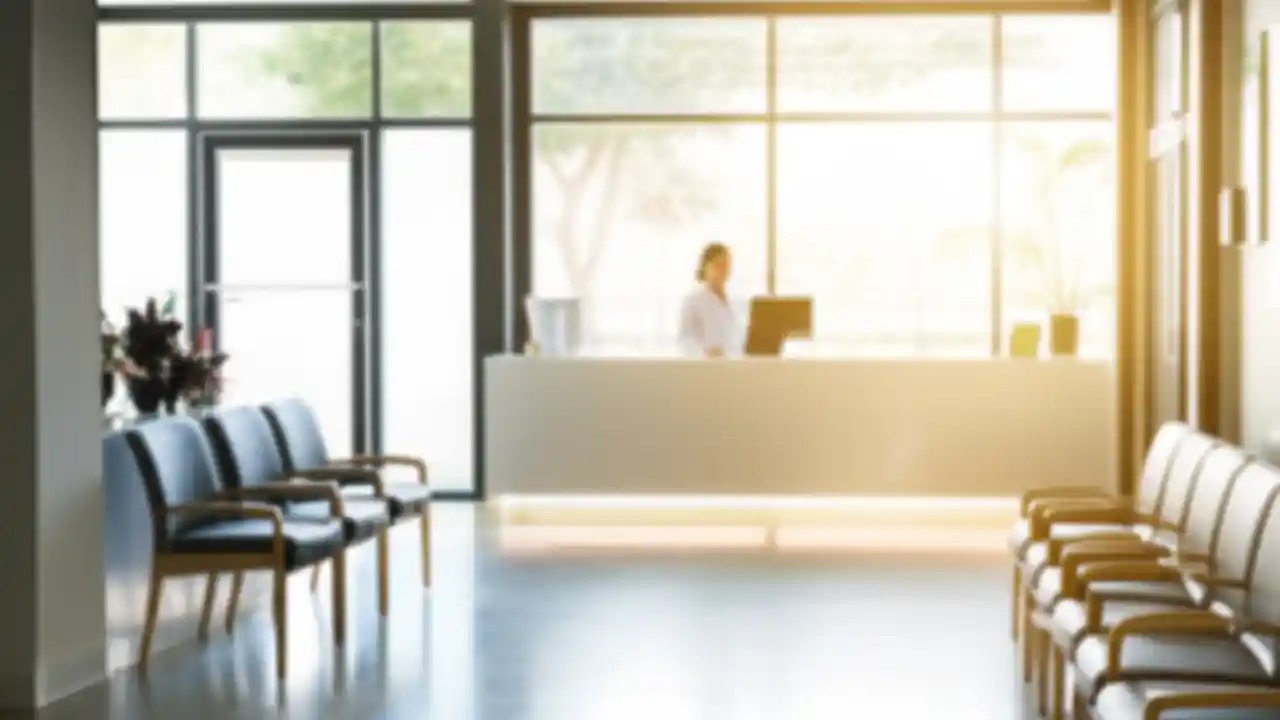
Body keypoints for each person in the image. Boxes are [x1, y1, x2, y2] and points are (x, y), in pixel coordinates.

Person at [678, 243, 742, 358]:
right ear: (705, 267)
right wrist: (705, 353)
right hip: (706, 367)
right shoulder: (693, 301)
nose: (723, 271)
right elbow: (685, 340)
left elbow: (737, 339)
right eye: (718, 266)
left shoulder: (735, 303)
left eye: (726, 266)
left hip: (733, 366)